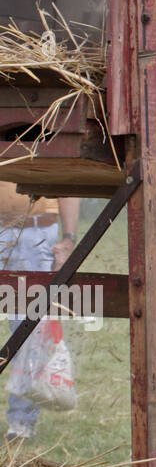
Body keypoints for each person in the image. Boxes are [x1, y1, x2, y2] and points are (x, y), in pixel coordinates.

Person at [0, 183, 79, 442]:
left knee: (29, 329)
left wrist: (68, 239)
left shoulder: (43, 143)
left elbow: (68, 183)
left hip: (36, 233)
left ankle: (21, 422)